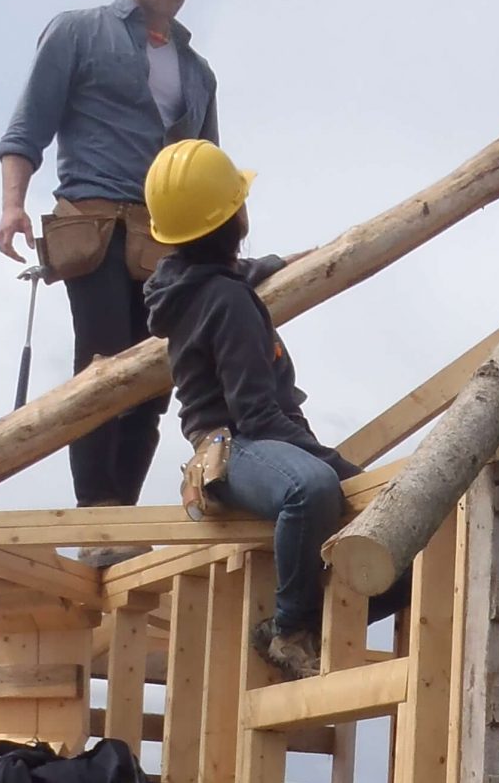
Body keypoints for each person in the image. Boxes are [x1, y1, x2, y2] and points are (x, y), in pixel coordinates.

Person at [0, 0, 220, 540]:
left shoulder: (197, 73)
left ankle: (116, 518)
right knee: (100, 370)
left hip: (163, 239)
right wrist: (13, 205)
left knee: (152, 381)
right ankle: (97, 516)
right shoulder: (77, 32)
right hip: (91, 226)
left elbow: (207, 170)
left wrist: (220, 257)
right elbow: (26, 129)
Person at [141, 139, 351, 681]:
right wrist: (347, 469)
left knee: (373, 536)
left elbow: (236, 272)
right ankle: (289, 631)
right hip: (234, 447)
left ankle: (318, 608)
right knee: (315, 487)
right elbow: (256, 417)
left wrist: (288, 262)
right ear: (233, 217)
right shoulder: (226, 301)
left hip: (239, 442)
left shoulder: (190, 282)